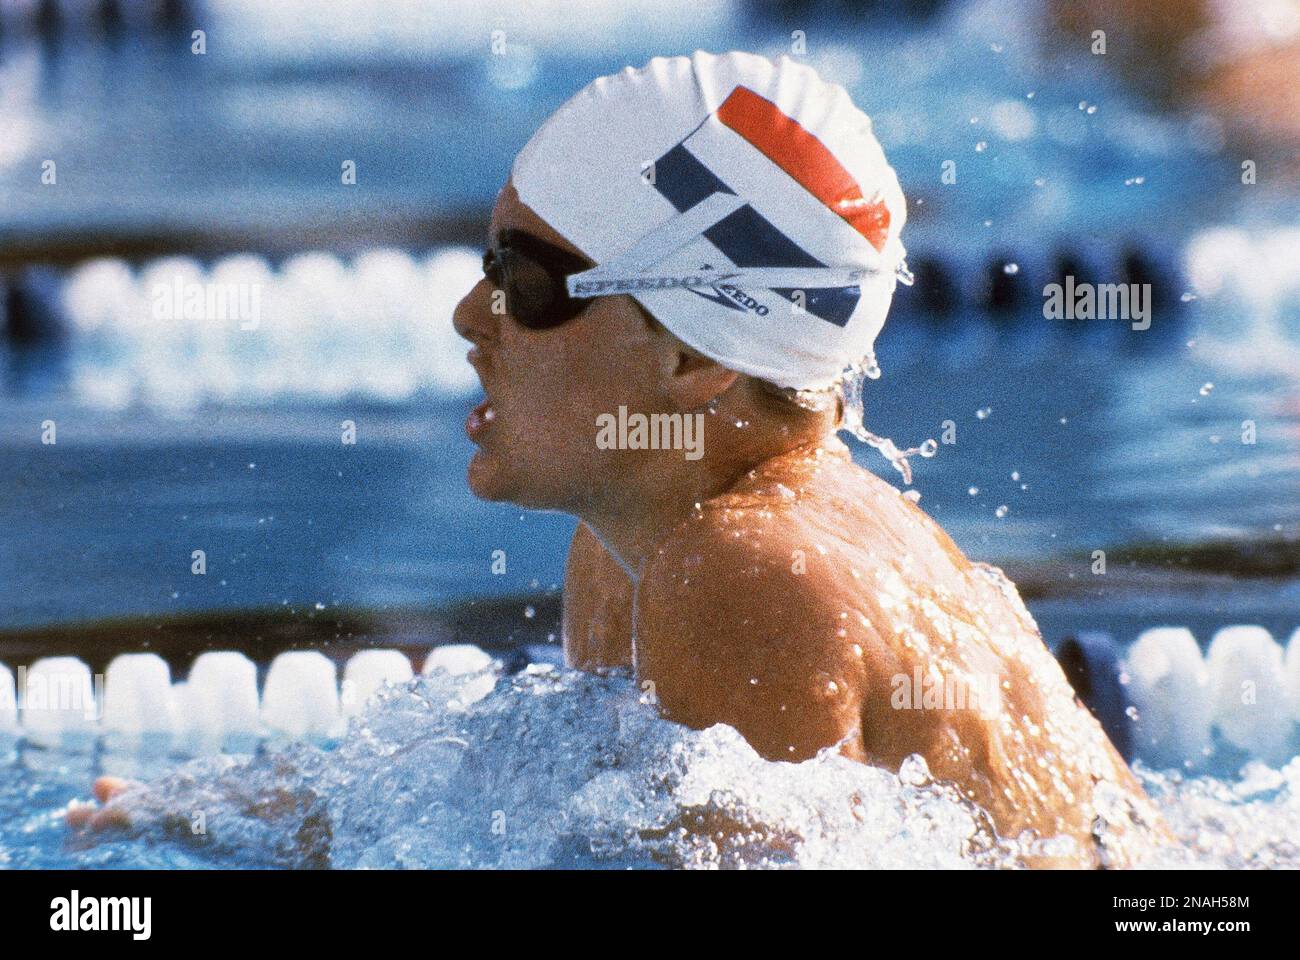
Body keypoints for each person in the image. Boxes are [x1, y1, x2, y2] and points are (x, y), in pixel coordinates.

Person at [74, 51, 1164, 867]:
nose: (468, 316)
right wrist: (224, 821)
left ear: (692, 359)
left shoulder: (742, 575)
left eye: (527, 283)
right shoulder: (638, 543)